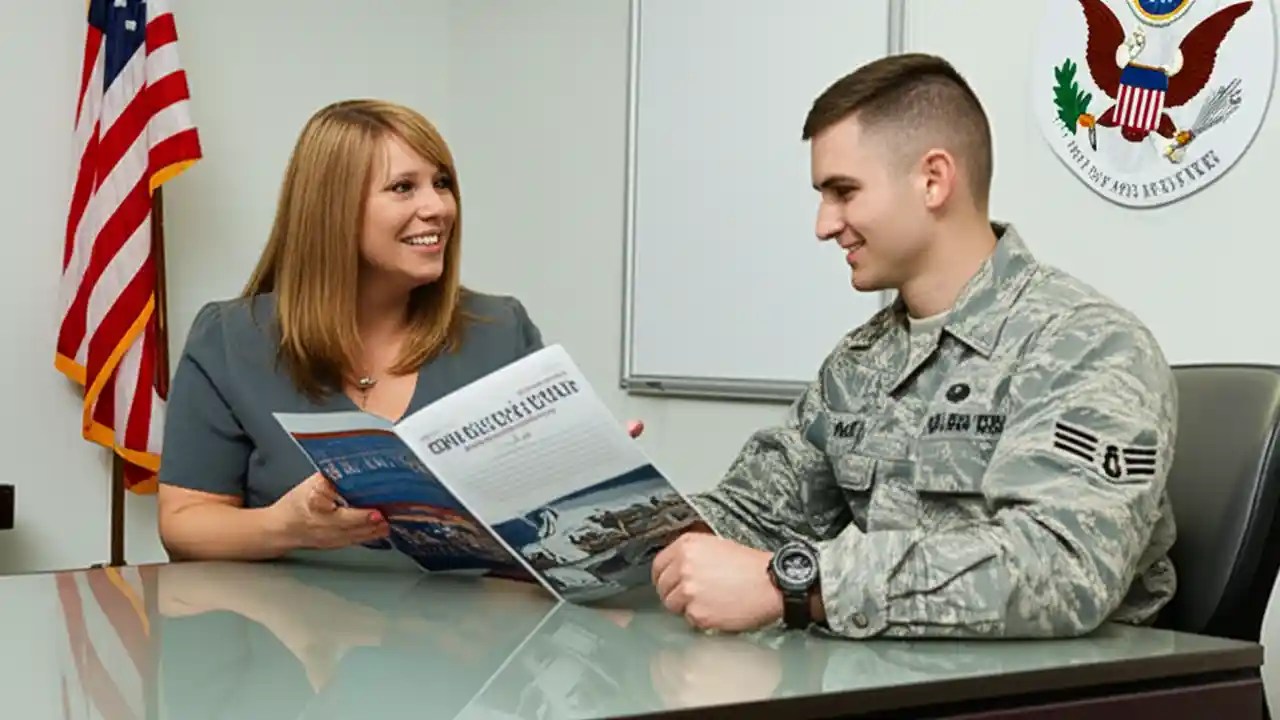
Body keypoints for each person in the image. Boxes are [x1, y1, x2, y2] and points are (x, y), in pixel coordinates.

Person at [651, 53, 1178, 640]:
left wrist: (801, 585)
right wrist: (605, 505)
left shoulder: (1087, 344)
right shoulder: (859, 363)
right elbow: (757, 517)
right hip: (887, 681)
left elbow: (1062, 568)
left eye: (843, 192)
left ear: (933, 180)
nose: (823, 225)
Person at [157, 99, 639, 562]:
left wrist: (585, 471)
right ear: (332, 209)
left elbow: (546, 516)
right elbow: (184, 523)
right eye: (404, 187)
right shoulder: (229, 339)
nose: (438, 208)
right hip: (292, 636)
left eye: (442, 183)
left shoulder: (500, 330)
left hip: (469, 635)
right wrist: (288, 527)